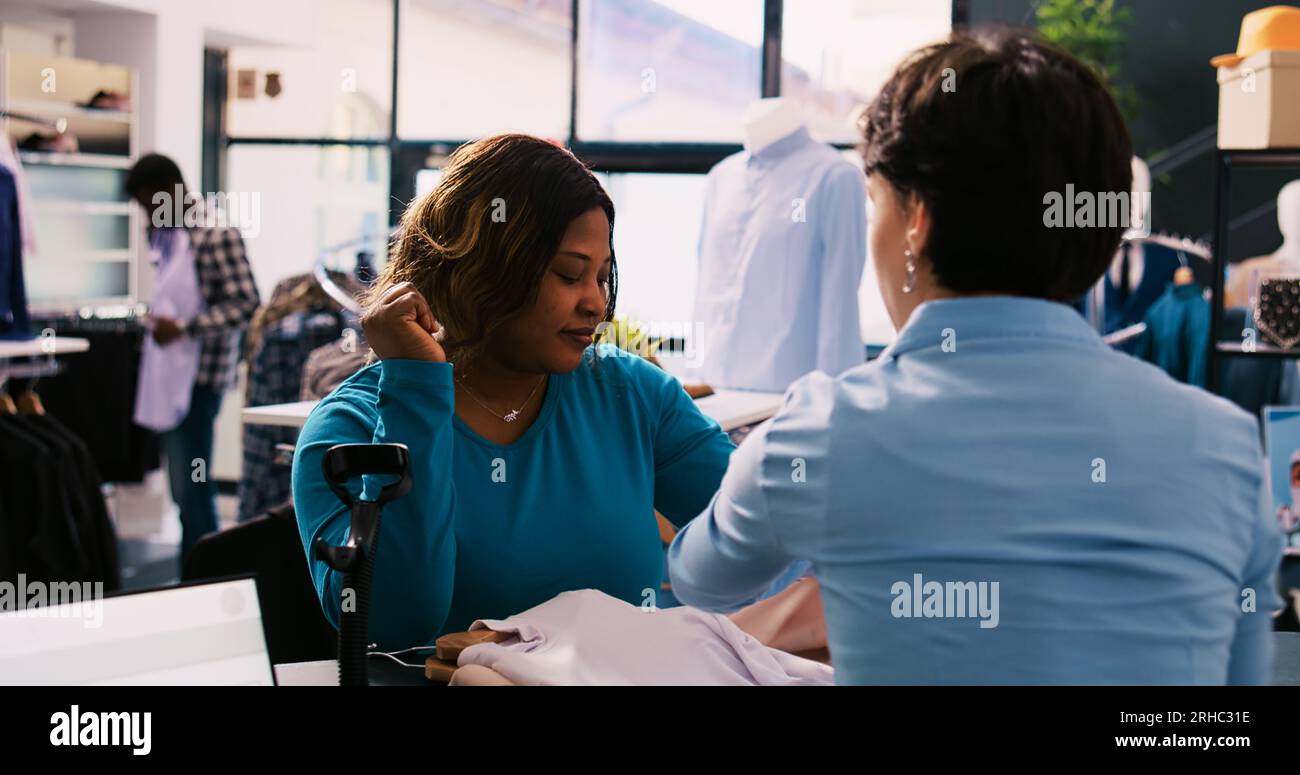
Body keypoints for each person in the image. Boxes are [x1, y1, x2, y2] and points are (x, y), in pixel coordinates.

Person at [667, 28, 1286, 685]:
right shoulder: (1227, 447)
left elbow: (700, 577)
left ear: (917, 220)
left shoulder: (819, 432)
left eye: (876, 202)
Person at [291, 134, 740, 649]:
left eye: (601, 276)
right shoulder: (347, 432)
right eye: (570, 274)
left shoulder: (631, 394)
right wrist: (415, 388)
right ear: (483, 268)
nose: (596, 302)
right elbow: (396, 621)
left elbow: (763, 535)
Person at [125, 154, 259, 565]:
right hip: (170, 373)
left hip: (200, 377)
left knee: (192, 487)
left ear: (168, 189)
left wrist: (185, 328)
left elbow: (246, 302)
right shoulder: (164, 233)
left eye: (149, 202)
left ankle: (201, 576)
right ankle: (198, 570)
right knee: (184, 487)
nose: (146, 212)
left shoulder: (215, 233)